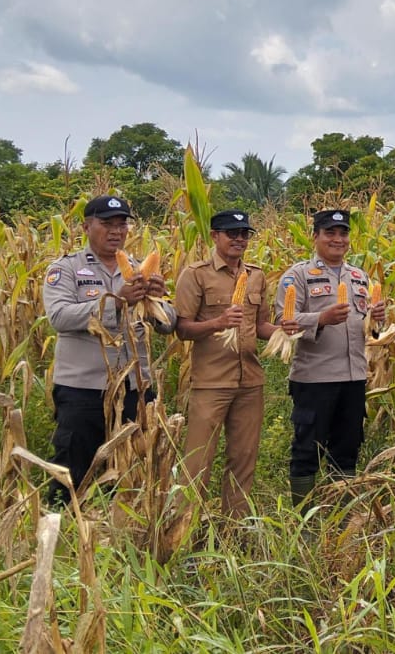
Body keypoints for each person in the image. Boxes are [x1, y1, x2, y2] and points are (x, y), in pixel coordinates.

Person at [42, 195, 175, 505]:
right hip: (84, 390)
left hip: (135, 389)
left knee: (134, 471)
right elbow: (59, 316)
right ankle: (64, 537)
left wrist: (157, 299)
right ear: (87, 226)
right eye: (107, 224)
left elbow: (168, 325)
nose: (116, 231)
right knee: (73, 471)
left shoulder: (139, 269)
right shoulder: (67, 269)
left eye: (122, 224)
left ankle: (121, 538)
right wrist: (118, 301)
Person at [274, 210, 386, 504]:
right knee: (307, 449)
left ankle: (341, 516)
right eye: (330, 233)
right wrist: (320, 319)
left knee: (347, 449)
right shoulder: (297, 275)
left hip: (354, 377)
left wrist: (377, 320)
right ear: (315, 237)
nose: (338, 239)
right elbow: (282, 321)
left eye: (343, 233)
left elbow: (369, 327)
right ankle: (304, 520)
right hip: (315, 378)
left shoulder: (360, 277)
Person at [172, 209, 277, 517]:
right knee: (197, 461)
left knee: (243, 460)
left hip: (250, 382)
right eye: (232, 233)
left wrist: (285, 332)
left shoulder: (256, 276)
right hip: (211, 381)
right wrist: (218, 323)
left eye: (244, 234)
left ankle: (235, 532)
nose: (239, 239)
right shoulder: (196, 274)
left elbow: (261, 326)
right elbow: (183, 329)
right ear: (214, 236)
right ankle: (181, 532)